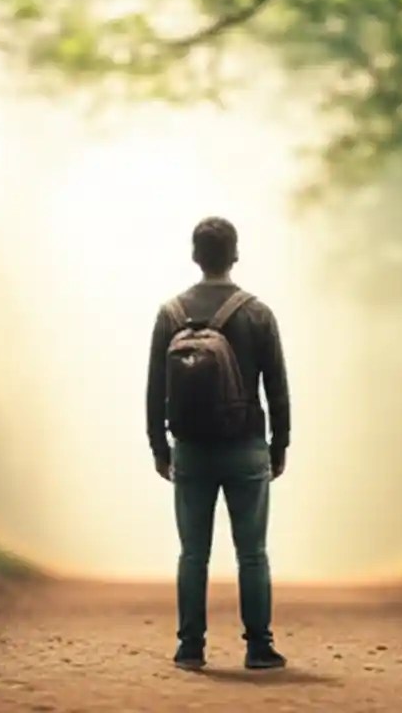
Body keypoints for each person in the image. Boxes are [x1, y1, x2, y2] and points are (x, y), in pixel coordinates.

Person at [145, 216, 291, 671]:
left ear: (195, 255)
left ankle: (191, 647)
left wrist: (159, 446)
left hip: (190, 448)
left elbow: (154, 388)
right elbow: (277, 387)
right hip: (247, 445)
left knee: (193, 552)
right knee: (252, 552)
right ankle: (258, 647)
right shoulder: (258, 313)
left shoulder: (170, 314)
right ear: (235, 255)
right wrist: (279, 445)